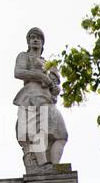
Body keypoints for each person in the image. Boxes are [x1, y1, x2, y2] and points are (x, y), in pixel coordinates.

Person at [12, 27, 67, 172]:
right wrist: (41, 76)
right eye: (32, 37)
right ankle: (43, 165)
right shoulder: (24, 56)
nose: (35, 40)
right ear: (28, 42)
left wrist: (56, 89)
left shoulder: (49, 63)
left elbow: (55, 84)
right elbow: (18, 72)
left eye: (38, 38)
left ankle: (54, 166)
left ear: (43, 43)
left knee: (61, 135)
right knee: (38, 130)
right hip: (32, 96)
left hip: (48, 99)